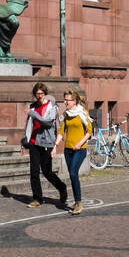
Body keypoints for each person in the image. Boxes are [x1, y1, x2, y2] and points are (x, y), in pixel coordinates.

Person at [24, 83, 67, 209]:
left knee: (47, 171)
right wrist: (24, 140)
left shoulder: (51, 106)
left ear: (45, 94)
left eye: (41, 94)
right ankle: (37, 198)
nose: (39, 96)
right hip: (33, 142)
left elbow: (47, 123)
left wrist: (34, 114)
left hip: (46, 142)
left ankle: (61, 187)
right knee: (34, 172)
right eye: (37, 94)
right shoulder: (32, 107)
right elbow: (28, 125)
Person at [56, 87, 92, 215]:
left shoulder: (82, 113)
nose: (65, 102)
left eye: (68, 100)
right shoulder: (66, 115)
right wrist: (55, 146)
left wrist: (80, 143)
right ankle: (77, 201)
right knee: (73, 175)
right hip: (68, 149)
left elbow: (89, 131)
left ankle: (79, 203)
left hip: (80, 149)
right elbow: (61, 131)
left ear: (75, 101)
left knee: (72, 173)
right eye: (64, 100)